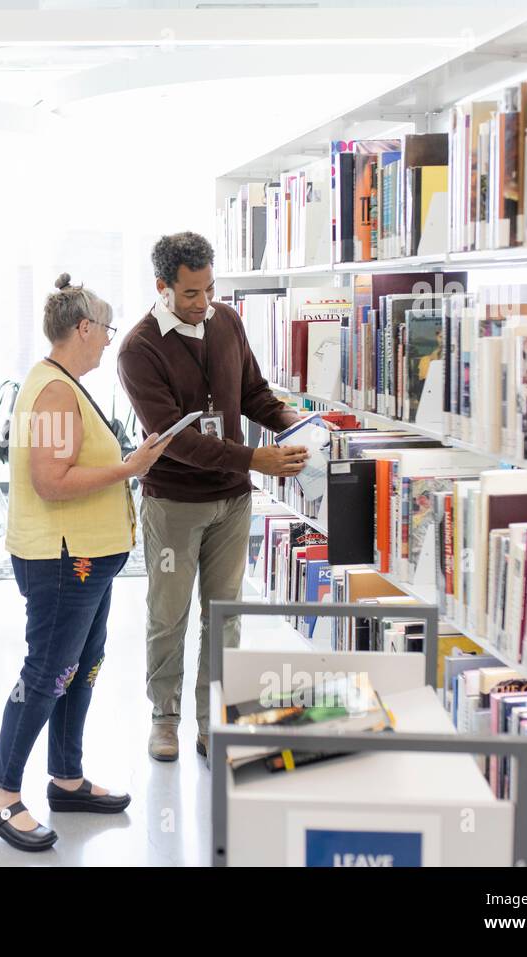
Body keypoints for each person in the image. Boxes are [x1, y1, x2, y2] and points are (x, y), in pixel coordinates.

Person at [0, 273, 173, 852]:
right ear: (83, 328)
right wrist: (128, 467)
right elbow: (51, 481)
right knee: (47, 674)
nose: (110, 340)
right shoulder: (57, 392)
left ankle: (66, 777)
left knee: (80, 670)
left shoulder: (64, 383)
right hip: (65, 561)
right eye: (106, 329)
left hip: (90, 558)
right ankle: (0, 795)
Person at [117, 232, 310, 762]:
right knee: (168, 616)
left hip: (232, 501)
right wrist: (254, 459)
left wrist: (290, 420)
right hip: (174, 503)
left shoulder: (227, 322)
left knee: (224, 617)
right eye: (191, 294)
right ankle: (165, 717)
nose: (204, 304)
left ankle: (213, 722)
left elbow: (252, 392)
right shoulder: (138, 349)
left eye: (209, 290)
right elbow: (174, 440)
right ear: (163, 287)